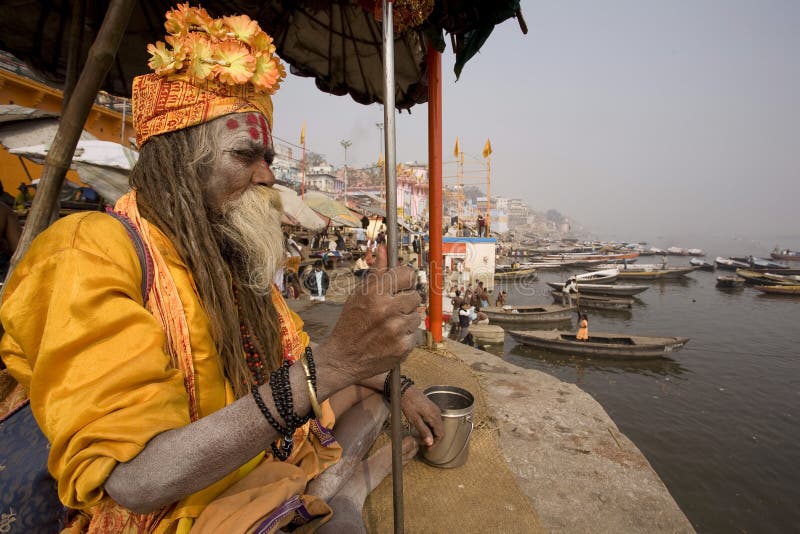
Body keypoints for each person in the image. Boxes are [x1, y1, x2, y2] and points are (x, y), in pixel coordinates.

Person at [0, 7, 442, 533]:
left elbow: (300, 358)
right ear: (183, 163)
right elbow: (135, 481)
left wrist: (397, 383)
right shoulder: (86, 250)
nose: (268, 176)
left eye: (268, 158)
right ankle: (337, 493)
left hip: (260, 452)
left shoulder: (226, 254)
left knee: (373, 394)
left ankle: (342, 490)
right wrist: (333, 365)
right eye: (246, 156)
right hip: (172, 501)